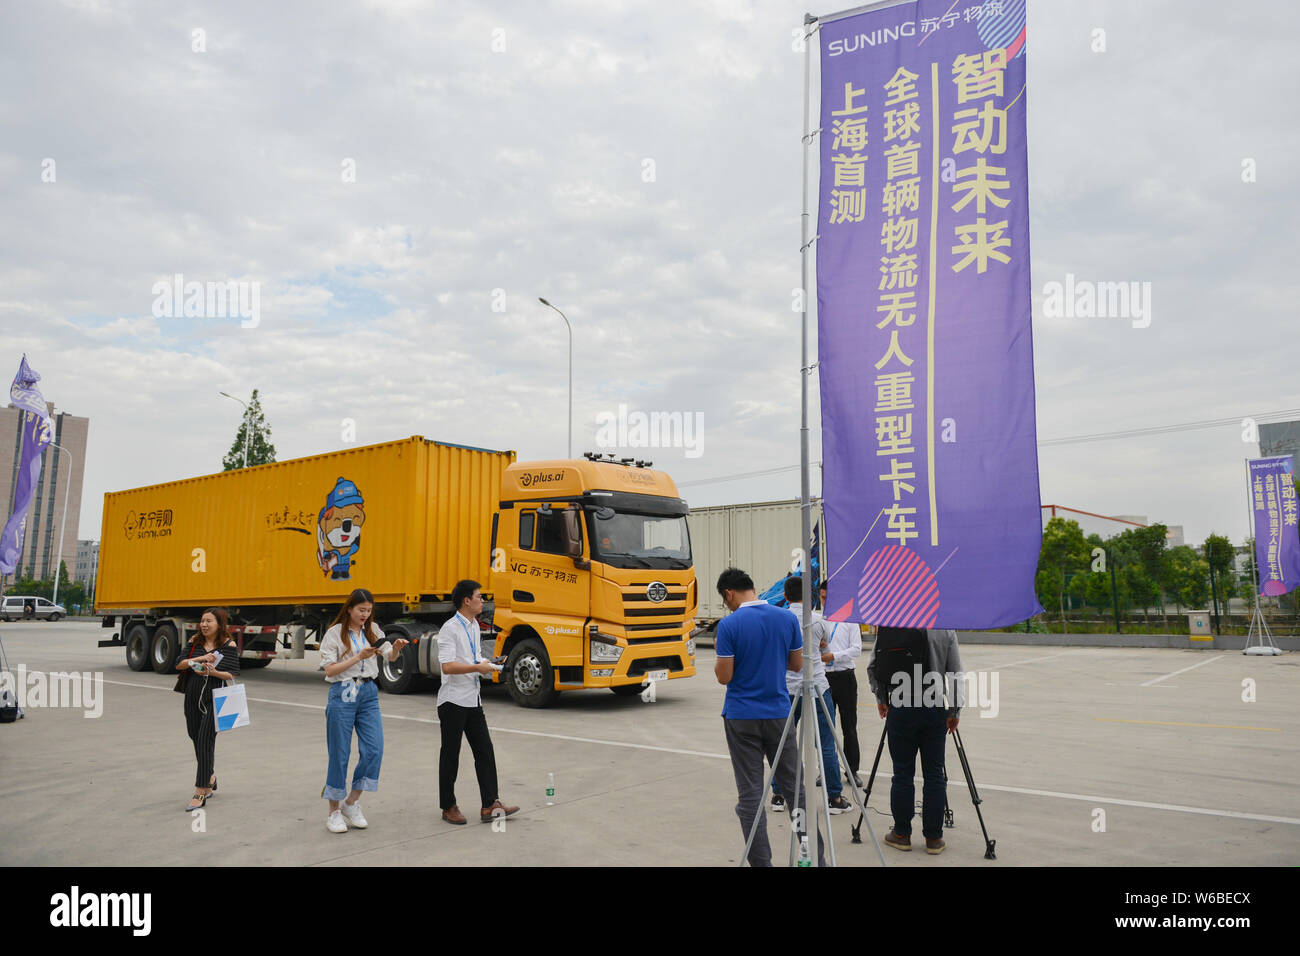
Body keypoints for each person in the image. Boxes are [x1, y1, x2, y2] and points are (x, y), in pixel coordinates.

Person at [714, 567, 825, 867]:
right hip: (778, 713)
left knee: (750, 796)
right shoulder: (787, 618)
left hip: (741, 717)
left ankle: (762, 862)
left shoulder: (729, 626)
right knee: (795, 790)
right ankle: (814, 857)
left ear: (729, 593)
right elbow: (797, 665)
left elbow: (725, 677)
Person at [319, 588, 409, 833]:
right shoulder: (334, 634)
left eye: (369, 611)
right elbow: (329, 670)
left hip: (368, 694)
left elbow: (389, 655)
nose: (365, 615)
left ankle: (352, 802)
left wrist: (397, 648)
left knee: (374, 750)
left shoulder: (374, 630)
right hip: (343, 693)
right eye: (361, 610)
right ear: (349, 608)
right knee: (339, 754)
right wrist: (358, 656)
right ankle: (333, 812)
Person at [867, 625, 963, 855]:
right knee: (934, 773)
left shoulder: (891, 624)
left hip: (901, 706)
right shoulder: (945, 628)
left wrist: (882, 697)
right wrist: (954, 710)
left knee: (902, 772)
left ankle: (901, 834)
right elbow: (956, 673)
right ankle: (933, 837)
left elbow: (874, 666)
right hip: (934, 707)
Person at [436, 579, 519, 825]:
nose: (483, 600)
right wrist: (477, 666)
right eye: (479, 596)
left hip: (473, 698)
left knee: (485, 750)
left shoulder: (473, 626)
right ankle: (448, 806)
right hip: (453, 701)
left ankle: (490, 804)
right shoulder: (449, 629)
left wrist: (492, 664)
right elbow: (448, 666)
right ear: (466, 600)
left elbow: (474, 658)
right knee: (451, 754)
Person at [769, 576, 848, 815]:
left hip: (787, 689)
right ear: (809, 596)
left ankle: (779, 794)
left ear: (786, 595)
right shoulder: (818, 621)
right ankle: (834, 797)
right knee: (825, 742)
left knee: (783, 742)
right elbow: (826, 647)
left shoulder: (776, 620)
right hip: (817, 687)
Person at [175, 607, 241, 812]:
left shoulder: (227, 644)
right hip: (193, 694)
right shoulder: (194, 642)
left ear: (219, 624)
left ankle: (200, 790)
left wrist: (214, 672)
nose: (204, 624)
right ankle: (210, 776)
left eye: (209, 621)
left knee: (205, 739)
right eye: (202, 621)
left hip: (215, 696)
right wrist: (200, 659)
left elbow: (232, 674)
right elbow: (180, 664)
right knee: (194, 735)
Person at [818, 581, 863, 788]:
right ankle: (827, 770)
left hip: (844, 676)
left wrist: (834, 655)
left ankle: (852, 770)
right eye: (822, 597)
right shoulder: (818, 619)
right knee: (825, 728)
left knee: (849, 727)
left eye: (827, 597)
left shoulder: (850, 619)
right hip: (824, 678)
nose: (824, 601)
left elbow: (857, 649)